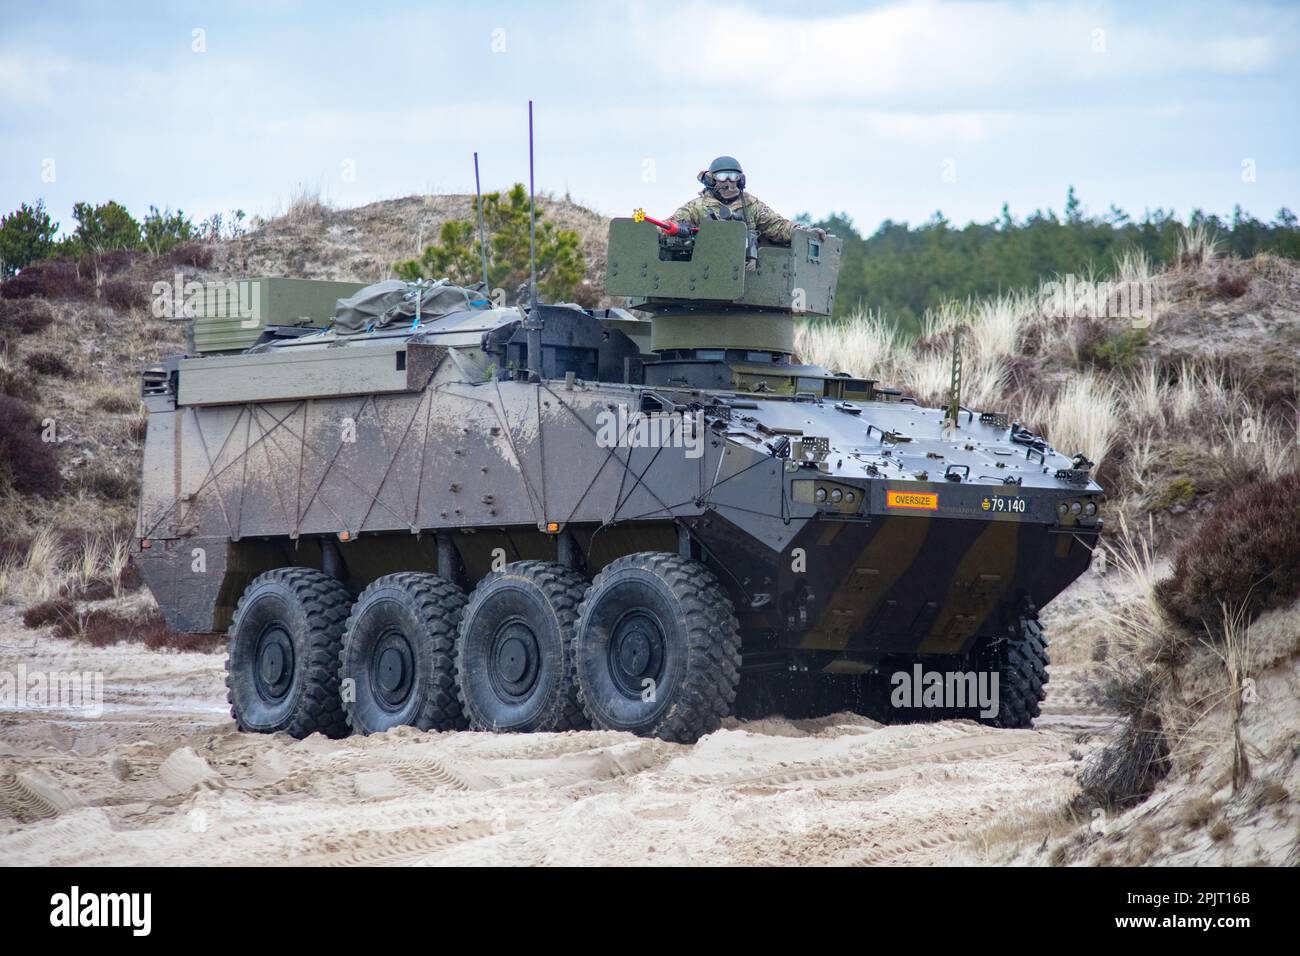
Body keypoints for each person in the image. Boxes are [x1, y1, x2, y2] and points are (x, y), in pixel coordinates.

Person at [670, 156, 826, 270]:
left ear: (740, 179)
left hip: (747, 273)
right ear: (711, 180)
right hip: (707, 271)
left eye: (733, 176)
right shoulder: (697, 207)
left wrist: (805, 232)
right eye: (722, 176)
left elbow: (778, 226)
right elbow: (671, 224)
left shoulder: (752, 205)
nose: (728, 181)